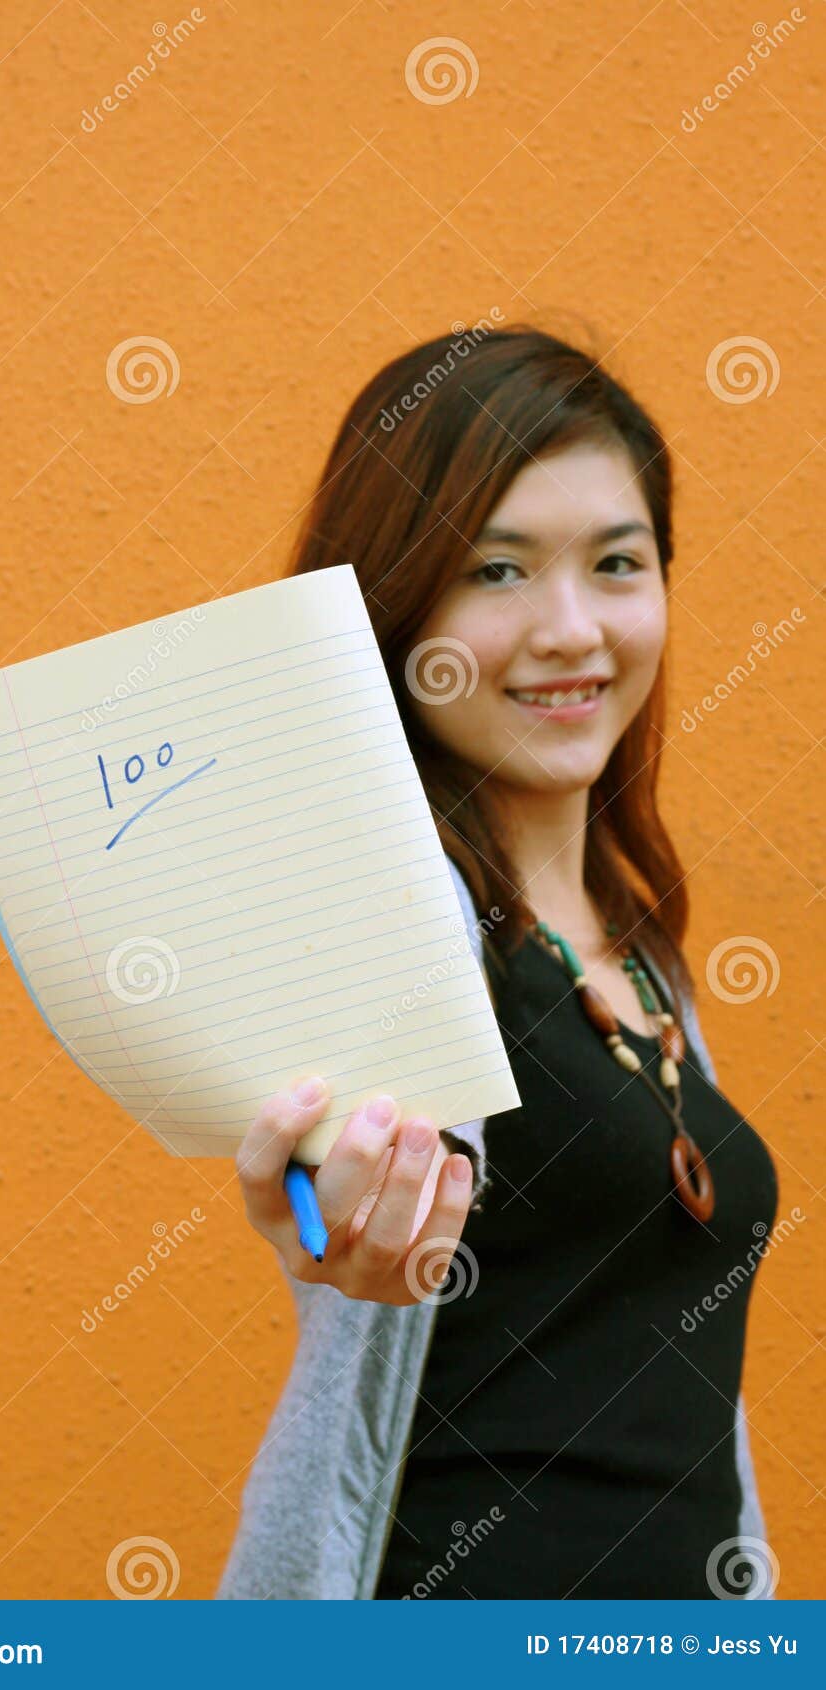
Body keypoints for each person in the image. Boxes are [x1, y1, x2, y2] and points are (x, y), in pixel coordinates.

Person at [217, 324, 779, 1601]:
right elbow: (336, 1173)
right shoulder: (371, 928)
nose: (568, 627)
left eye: (616, 564)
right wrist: (330, 1219)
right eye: (497, 570)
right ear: (395, 603)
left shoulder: (639, 954)